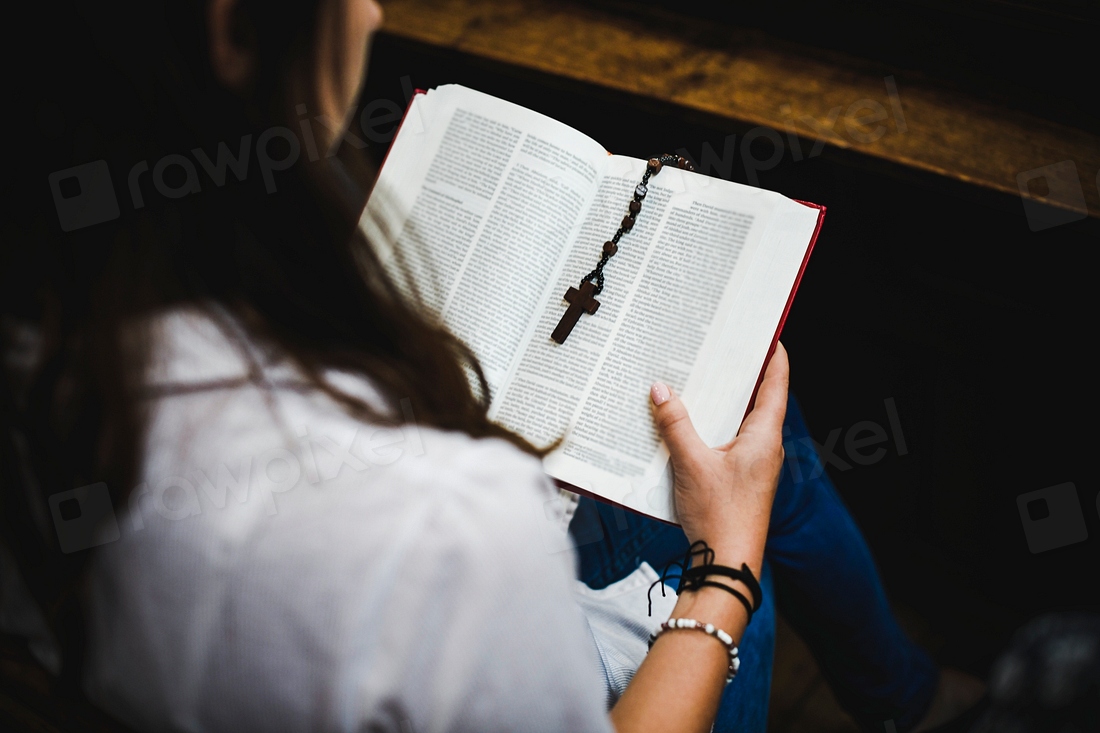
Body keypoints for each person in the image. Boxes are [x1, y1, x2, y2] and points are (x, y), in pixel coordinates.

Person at [0, 0, 982, 730]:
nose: (371, 12)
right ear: (232, 28)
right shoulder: (442, 522)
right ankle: (905, 698)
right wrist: (722, 569)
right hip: (479, 616)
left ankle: (903, 692)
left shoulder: (62, 323)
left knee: (751, 429)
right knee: (739, 468)